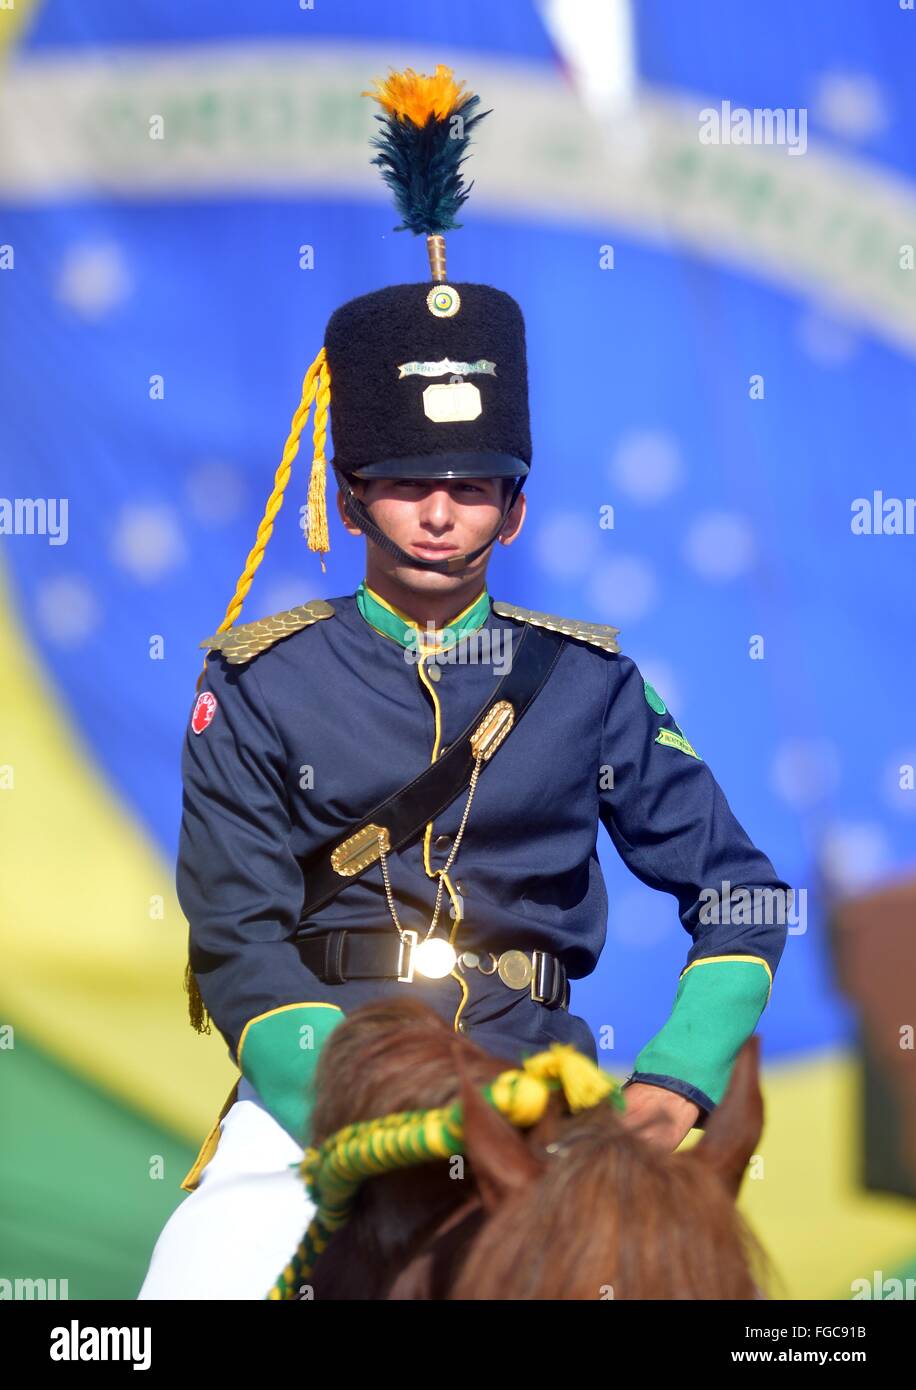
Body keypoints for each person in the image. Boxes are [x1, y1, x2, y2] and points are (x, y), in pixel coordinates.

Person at [138, 64, 790, 1300]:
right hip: (328, 1108)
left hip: (548, 1094)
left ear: (515, 502)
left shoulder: (587, 681)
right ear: (349, 496)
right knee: (198, 1280)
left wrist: (674, 1084)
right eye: (405, 481)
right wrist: (372, 1104)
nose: (440, 511)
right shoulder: (258, 681)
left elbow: (744, 898)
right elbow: (238, 946)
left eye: (475, 482)